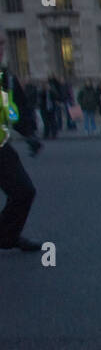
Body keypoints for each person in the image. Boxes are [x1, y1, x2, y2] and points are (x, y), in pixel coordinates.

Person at [0, 32, 43, 252]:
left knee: (24, 191)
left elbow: (16, 109)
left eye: (1, 45)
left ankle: (6, 234)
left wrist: (29, 133)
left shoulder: (4, 77)